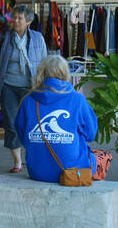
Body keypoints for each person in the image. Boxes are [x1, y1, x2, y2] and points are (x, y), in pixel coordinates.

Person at [15, 56, 99, 184]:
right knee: (95, 157)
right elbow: (91, 135)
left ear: (41, 74)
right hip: (71, 171)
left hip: (37, 172)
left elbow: (22, 135)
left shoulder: (28, 100)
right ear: (66, 73)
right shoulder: (78, 99)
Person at [0, 3, 47, 172]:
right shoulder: (4, 37)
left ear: (28, 21)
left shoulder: (37, 38)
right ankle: (18, 162)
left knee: (31, 123)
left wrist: (44, 83)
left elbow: (44, 62)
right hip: (9, 86)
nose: (15, 21)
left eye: (19, 18)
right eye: (14, 17)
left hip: (31, 86)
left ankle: (33, 157)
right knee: (11, 123)